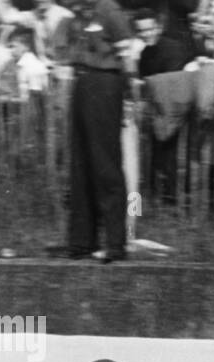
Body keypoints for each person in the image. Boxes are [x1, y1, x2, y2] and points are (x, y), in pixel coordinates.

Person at [65, 0, 134, 262]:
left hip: (105, 82)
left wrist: (128, 91)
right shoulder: (81, 12)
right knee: (81, 163)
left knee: (105, 163)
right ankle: (82, 240)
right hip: (82, 80)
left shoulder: (109, 10)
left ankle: (116, 243)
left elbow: (126, 54)